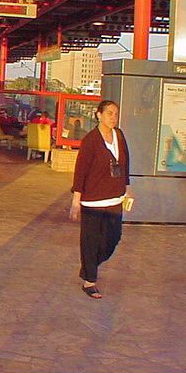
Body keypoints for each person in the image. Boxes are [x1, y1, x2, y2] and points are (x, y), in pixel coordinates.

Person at [69, 100, 131, 299]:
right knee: (90, 241)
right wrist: (76, 201)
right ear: (98, 115)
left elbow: (125, 163)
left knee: (113, 238)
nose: (113, 117)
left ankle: (90, 265)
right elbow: (81, 172)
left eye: (115, 114)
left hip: (115, 198)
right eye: (109, 113)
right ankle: (89, 281)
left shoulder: (119, 135)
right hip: (93, 201)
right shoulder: (90, 140)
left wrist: (127, 189)